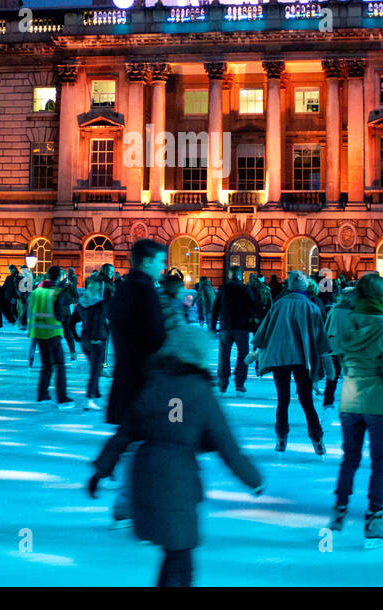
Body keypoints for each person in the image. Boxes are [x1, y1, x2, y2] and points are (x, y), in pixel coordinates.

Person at [88, 334, 263, 587]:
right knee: (181, 555)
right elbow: (226, 444)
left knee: (175, 555)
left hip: (146, 474)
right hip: (176, 480)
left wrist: (100, 471)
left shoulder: (155, 382)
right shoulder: (199, 391)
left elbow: (126, 432)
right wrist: (253, 479)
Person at [325, 274, 383, 546]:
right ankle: (374, 519)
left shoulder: (347, 323)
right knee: (380, 463)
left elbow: (340, 354)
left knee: (350, 458)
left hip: (350, 399)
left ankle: (339, 509)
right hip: (378, 403)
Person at [105, 239, 169, 527]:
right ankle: (134, 501)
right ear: (145, 261)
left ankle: (125, 500)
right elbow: (155, 338)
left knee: (133, 439)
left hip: (127, 376)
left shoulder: (124, 288)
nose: (163, 267)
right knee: (151, 443)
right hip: (145, 380)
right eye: (160, 262)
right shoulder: (145, 291)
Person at [252, 270, 332, 455]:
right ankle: (317, 439)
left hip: (279, 357)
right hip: (301, 359)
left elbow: (264, 331)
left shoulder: (278, 305)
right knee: (306, 400)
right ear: (304, 286)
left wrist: (257, 350)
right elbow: (321, 338)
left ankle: (281, 437)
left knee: (283, 399)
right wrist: (326, 364)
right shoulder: (311, 307)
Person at [29, 265, 75, 408]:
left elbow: (28, 310)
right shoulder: (57, 292)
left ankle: (42, 394)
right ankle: (62, 398)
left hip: (38, 332)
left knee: (46, 364)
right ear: (59, 277)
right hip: (53, 332)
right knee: (59, 364)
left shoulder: (36, 291)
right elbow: (60, 314)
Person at [211, 265, 257, 394]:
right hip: (242, 328)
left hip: (226, 326)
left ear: (229, 275)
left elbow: (215, 309)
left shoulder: (223, 289)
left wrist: (213, 327)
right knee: (243, 356)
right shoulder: (246, 289)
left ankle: (222, 383)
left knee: (223, 355)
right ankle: (239, 383)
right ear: (241, 276)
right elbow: (253, 307)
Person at [75, 274, 109, 408]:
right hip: (96, 341)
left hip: (85, 341)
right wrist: (96, 338)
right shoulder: (99, 304)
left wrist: (77, 337)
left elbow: (71, 322)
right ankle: (89, 398)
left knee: (94, 368)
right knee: (95, 370)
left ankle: (98, 395)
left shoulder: (81, 303)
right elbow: (98, 322)